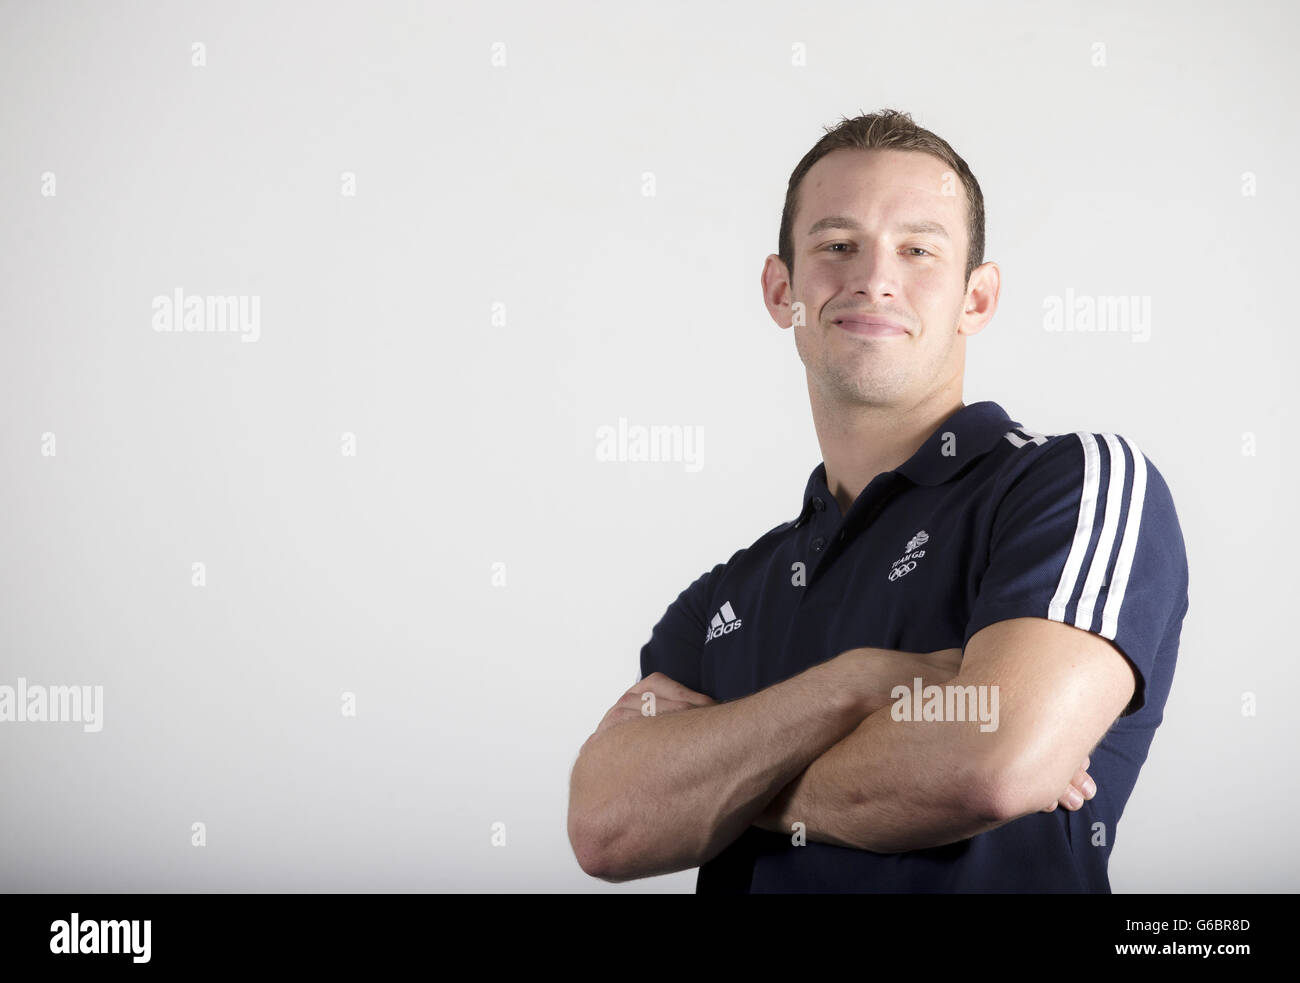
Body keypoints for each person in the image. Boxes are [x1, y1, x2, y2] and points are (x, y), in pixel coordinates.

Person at [566, 109, 1189, 893]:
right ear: (780, 288)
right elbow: (607, 822)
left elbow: (994, 765)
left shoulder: (1070, 487)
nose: (874, 278)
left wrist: (722, 784)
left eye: (918, 249)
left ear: (977, 299)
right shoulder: (725, 596)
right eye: (836, 245)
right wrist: (856, 684)